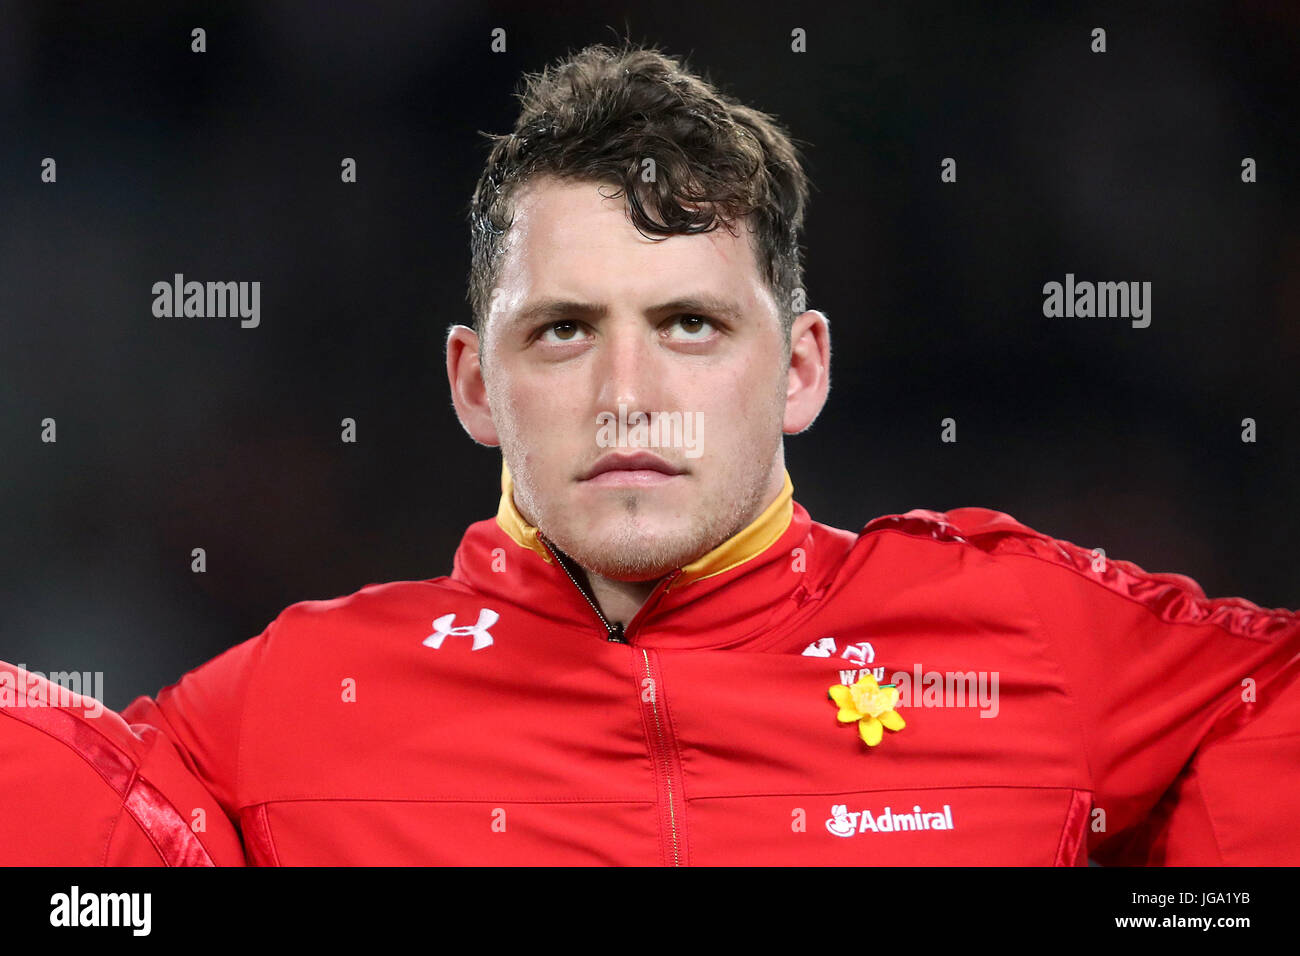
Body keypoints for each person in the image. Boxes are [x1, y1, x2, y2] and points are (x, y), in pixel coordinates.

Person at [107, 42, 1298, 865]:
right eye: (564, 330)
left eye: (690, 324)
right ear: (476, 384)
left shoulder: (1026, 638)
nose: (629, 397)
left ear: (799, 369)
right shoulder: (290, 706)